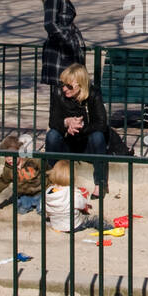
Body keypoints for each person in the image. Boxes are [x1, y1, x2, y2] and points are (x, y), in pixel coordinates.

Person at [46, 63, 110, 197]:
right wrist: (67, 122)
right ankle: (51, 179)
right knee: (52, 135)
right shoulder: (58, 93)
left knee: (98, 136)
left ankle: (100, 183)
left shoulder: (93, 94)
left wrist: (80, 128)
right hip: (67, 141)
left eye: (69, 86)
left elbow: (101, 123)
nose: (64, 89)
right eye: (63, 84)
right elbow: (53, 121)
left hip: (86, 142)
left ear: (80, 85)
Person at [40, 0, 86, 88]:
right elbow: (50, 24)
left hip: (64, 53)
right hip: (60, 54)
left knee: (69, 97)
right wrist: (69, 41)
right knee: (62, 98)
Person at [42, 159, 101, 233]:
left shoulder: (48, 191)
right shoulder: (72, 192)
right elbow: (82, 205)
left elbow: (42, 207)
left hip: (56, 225)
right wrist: (84, 197)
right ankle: (111, 229)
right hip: (73, 226)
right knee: (94, 219)